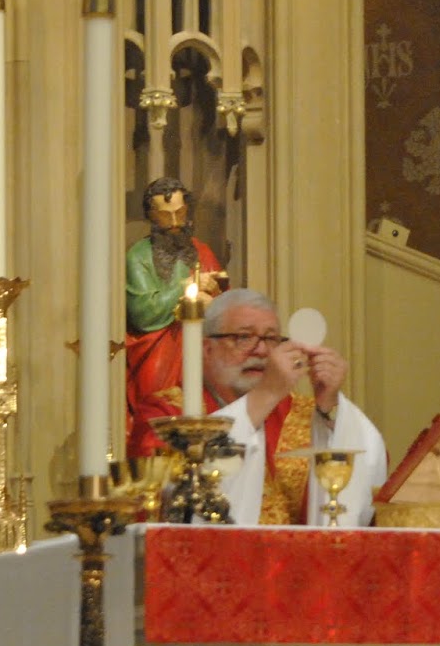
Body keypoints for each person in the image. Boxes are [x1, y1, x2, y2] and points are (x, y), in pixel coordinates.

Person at [130, 287, 387, 527]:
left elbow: (365, 477)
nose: (262, 350)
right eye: (243, 337)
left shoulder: (304, 413)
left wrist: (330, 407)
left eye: (271, 338)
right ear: (206, 348)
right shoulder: (165, 413)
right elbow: (164, 499)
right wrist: (267, 393)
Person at [124, 177, 226, 457]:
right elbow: (144, 312)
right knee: (158, 410)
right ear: (151, 216)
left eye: (180, 214)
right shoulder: (138, 257)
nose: (174, 222)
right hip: (159, 346)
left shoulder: (201, 251)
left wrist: (212, 298)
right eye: (165, 215)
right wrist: (188, 288)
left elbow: (224, 308)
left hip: (200, 348)